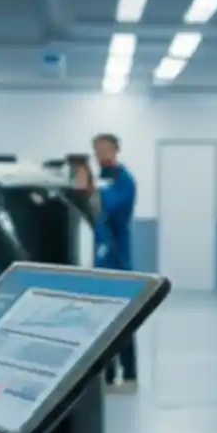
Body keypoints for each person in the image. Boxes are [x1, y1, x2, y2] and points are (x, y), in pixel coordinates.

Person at [91, 133, 138, 393]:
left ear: (116, 150)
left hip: (119, 260)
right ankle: (108, 376)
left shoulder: (124, 180)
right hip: (102, 260)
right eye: (97, 149)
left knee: (124, 321)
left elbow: (110, 207)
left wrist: (92, 192)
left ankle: (129, 374)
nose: (101, 153)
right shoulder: (102, 178)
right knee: (102, 323)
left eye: (105, 148)